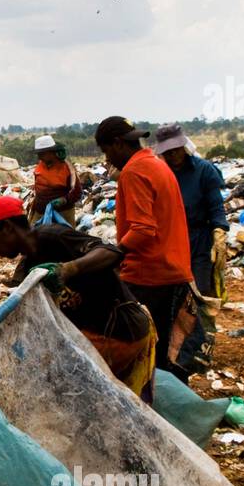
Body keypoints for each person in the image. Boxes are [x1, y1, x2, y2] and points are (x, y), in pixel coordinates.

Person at [0, 195, 156, 400]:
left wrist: (68, 269)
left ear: (7, 227)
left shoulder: (52, 237)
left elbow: (111, 251)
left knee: (61, 386)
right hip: (91, 333)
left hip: (119, 330)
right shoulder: (27, 268)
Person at [94, 116, 194, 379]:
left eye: (106, 152)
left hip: (150, 275)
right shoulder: (156, 165)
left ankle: (156, 410)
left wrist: (113, 255)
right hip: (173, 268)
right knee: (164, 353)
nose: (108, 160)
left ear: (116, 144)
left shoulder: (134, 172)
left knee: (144, 355)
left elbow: (142, 229)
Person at [152, 123, 228, 299]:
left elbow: (216, 207)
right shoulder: (158, 174)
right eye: (168, 151)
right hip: (169, 241)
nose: (173, 154)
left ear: (183, 146)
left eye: (176, 149)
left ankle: (203, 325)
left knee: (198, 292)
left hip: (199, 239)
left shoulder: (204, 170)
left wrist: (219, 233)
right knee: (172, 294)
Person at [29, 134, 83, 225]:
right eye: (38, 154)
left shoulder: (67, 169)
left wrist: (64, 200)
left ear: (52, 152)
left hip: (63, 215)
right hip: (40, 213)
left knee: (62, 238)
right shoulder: (39, 167)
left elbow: (77, 192)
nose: (39, 157)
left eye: (42, 153)